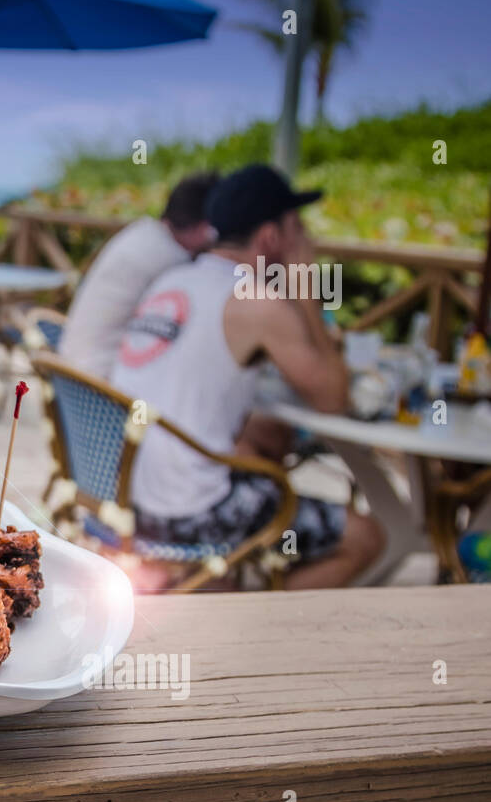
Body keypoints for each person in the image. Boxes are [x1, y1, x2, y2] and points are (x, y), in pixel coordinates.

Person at [109, 164, 384, 589]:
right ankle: (267, 627)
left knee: (269, 438)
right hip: (185, 514)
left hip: (122, 493)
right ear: (272, 237)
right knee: (366, 537)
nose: (308, 239)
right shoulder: (257, 299)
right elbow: (333, 398)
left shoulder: (174, 279)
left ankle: (236, 583)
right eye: (299, 227)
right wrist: (306, 284)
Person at [58, 172, 218, 378]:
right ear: (206, 228)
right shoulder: (172, 262)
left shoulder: (142, 232)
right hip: (103, 388)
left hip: (71, 376)